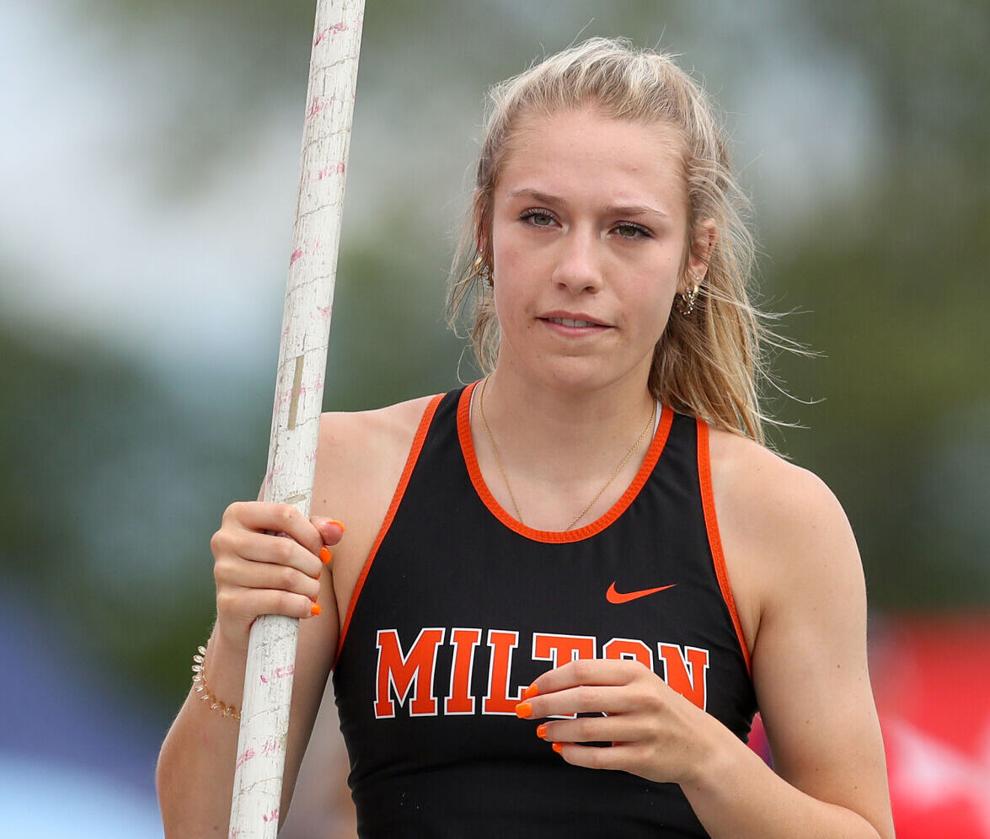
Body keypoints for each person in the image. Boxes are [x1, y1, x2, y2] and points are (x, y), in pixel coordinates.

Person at [156, 36, 895, 838]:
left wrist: (705, 758)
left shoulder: (780, 518)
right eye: (540, 218)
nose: (578, 267)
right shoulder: (341, 471)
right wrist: (237, 638)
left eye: (629, 230)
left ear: (696, 256)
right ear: (485, 228)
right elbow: (200, 826)